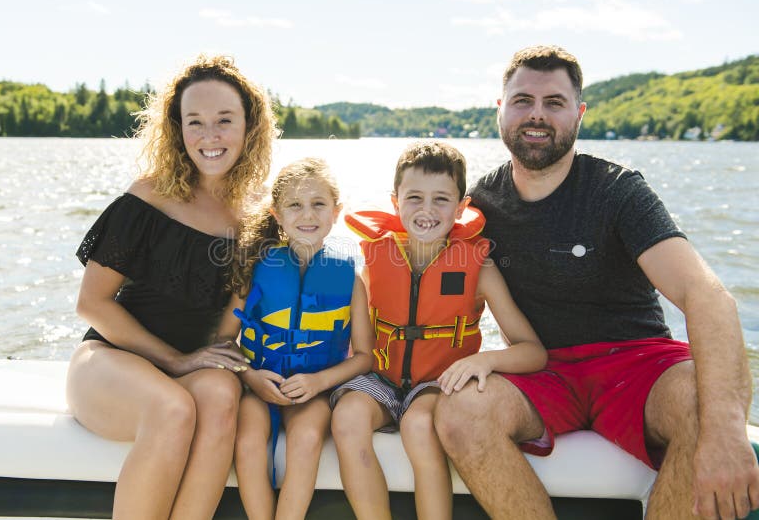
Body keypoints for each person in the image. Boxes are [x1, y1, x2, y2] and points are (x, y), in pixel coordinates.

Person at [434, 45, 759, 520]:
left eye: (554, 102)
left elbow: (706, 296)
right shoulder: (479, 205)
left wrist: (727, 433)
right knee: (460, 412)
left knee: (700, 398)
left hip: (638, 364)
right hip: (540, 370)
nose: (537, 115)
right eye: (523, 101)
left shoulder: (618, 191)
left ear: (580, 113)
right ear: (500, 109)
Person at [66, 54, 276, 520]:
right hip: (110, 360)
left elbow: (233, 324)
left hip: (192, 366)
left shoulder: (259, 216)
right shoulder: (149, 196)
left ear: (250, 126)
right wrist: (176, 361)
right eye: (194, 121)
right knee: (172, 408)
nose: (209, 135)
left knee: (222, 395)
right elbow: (92, 303)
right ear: (177, 129)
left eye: (224, 120)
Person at [330, 142, 547, 520]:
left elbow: (533, 351)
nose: (426, 210)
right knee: (347, 418)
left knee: (418, 425)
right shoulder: (374, 257)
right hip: (380, 379)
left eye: (441, 200)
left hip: (438, 386)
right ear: (395, 202)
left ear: (461, 207)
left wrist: (485, 361)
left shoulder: (479, 268)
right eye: (414, 197)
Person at [223, 157, 374, 520]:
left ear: (336, 212)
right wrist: (250, 377)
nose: (308, 214)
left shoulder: (349, 279)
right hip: (258, 386)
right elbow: (225, 339)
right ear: (277, 214)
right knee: (247, 443)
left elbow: (365, 356)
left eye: (318, 204)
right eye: (295, 205)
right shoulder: (255, 269)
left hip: (314, 392)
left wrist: (318, 382)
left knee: (306, 440)